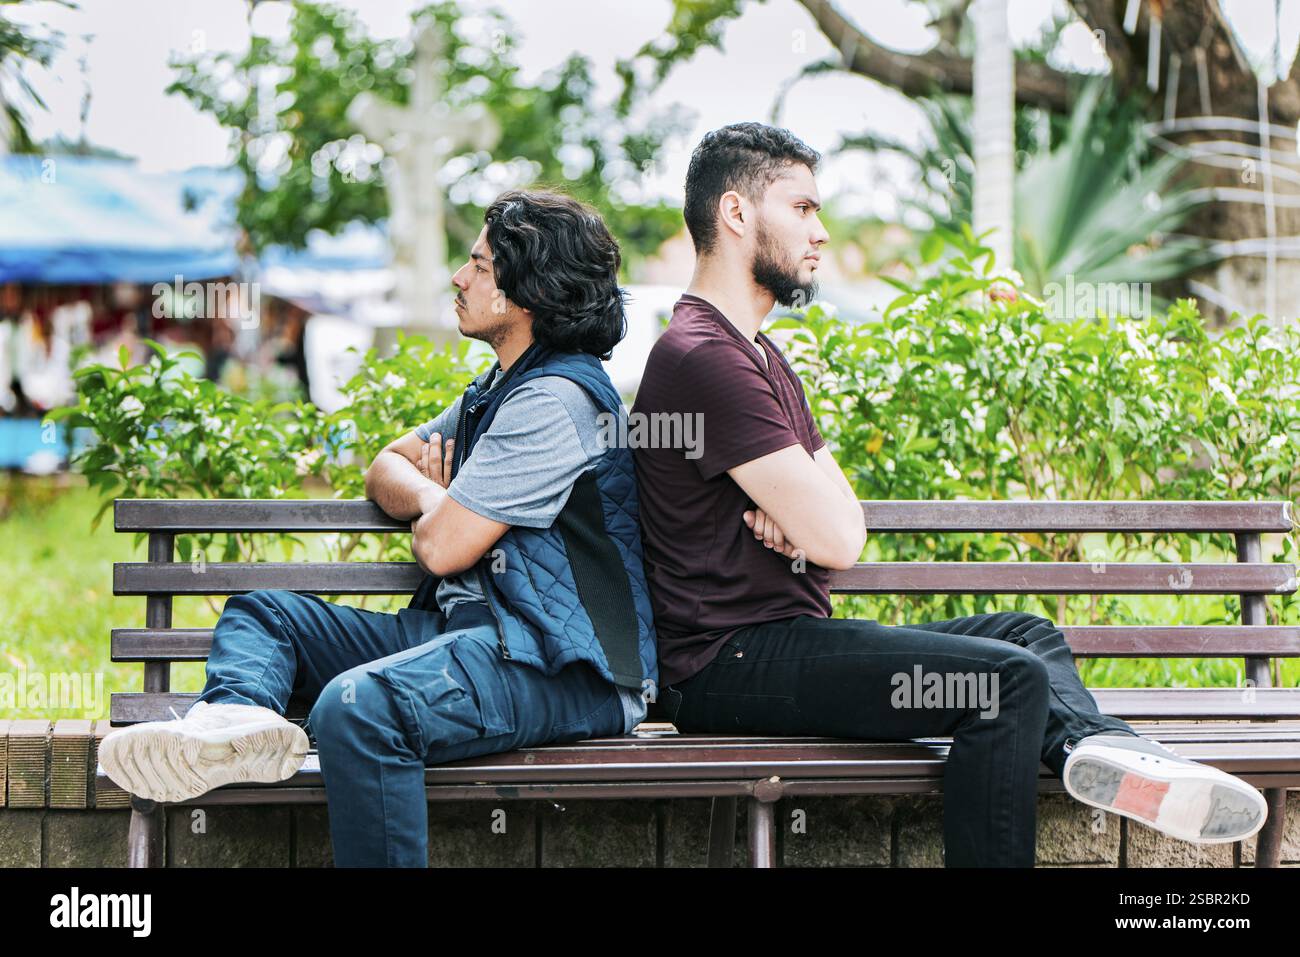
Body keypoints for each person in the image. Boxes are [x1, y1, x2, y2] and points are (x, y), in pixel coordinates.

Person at [629, 121, 1268, 867]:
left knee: (1025, 636)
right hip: (726, 665)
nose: (823, 232)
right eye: (802, 208)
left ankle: (1106, 751)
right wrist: (813, 522)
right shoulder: (704, 358)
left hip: (784, 641)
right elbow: (840, 540)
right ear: (735, 213)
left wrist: (810, 519)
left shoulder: (758, 354)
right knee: (1000, 683)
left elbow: (840, 519)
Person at [99, 189, 659, 867]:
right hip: (483, 636)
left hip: (564, 666)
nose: (459, 277)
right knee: (263, 615)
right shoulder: (498, 390)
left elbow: (442, 545)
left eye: (479, 267)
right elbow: (385, 464)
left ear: (528, 293)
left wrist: (444, 511)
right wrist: (438, 492)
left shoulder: (555, 400)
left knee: (359, 707)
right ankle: (235, 723)